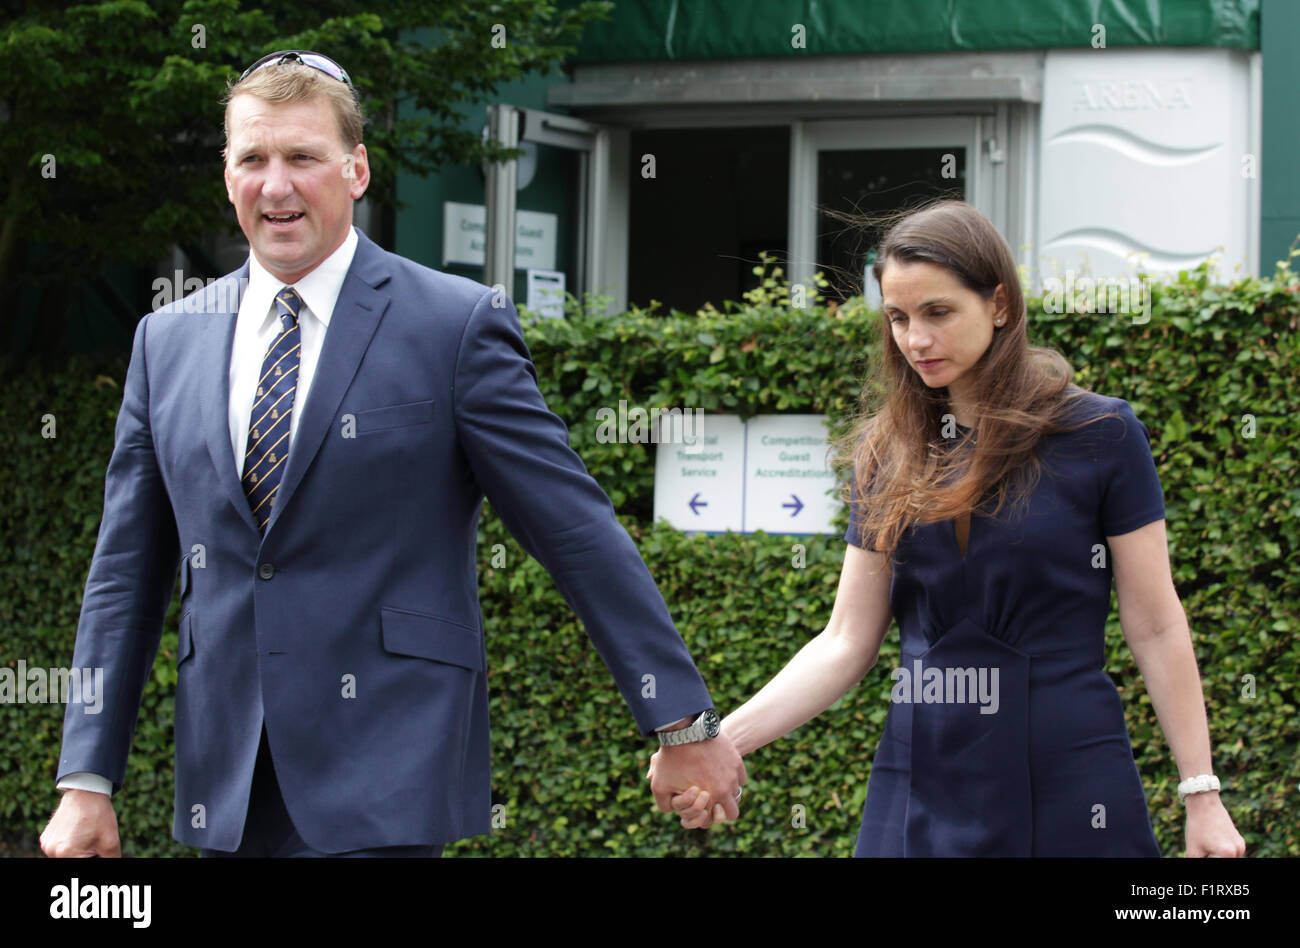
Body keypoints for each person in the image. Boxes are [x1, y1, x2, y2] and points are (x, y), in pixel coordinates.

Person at [40, 50, 743, 858]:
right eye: (253, 160)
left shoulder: (454, 325)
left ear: (356, 169)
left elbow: (573, 531)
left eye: (303, 157)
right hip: (228, 788)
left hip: (389, 776)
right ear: (226, 174)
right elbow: (124, 572)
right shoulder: (165, 342)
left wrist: (682, 720)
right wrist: (86, 778)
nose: (276, 185)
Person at [657, 200, 1246, 857]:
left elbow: (1157, 623)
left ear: (998, 304)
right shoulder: (887, 452)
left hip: (1071, 771)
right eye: (899, 318)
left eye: (938, 312)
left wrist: (1203, 793)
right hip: (920, 775)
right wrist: (713, 744)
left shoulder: (1101, 435)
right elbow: (846, 640)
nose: (916, 340)